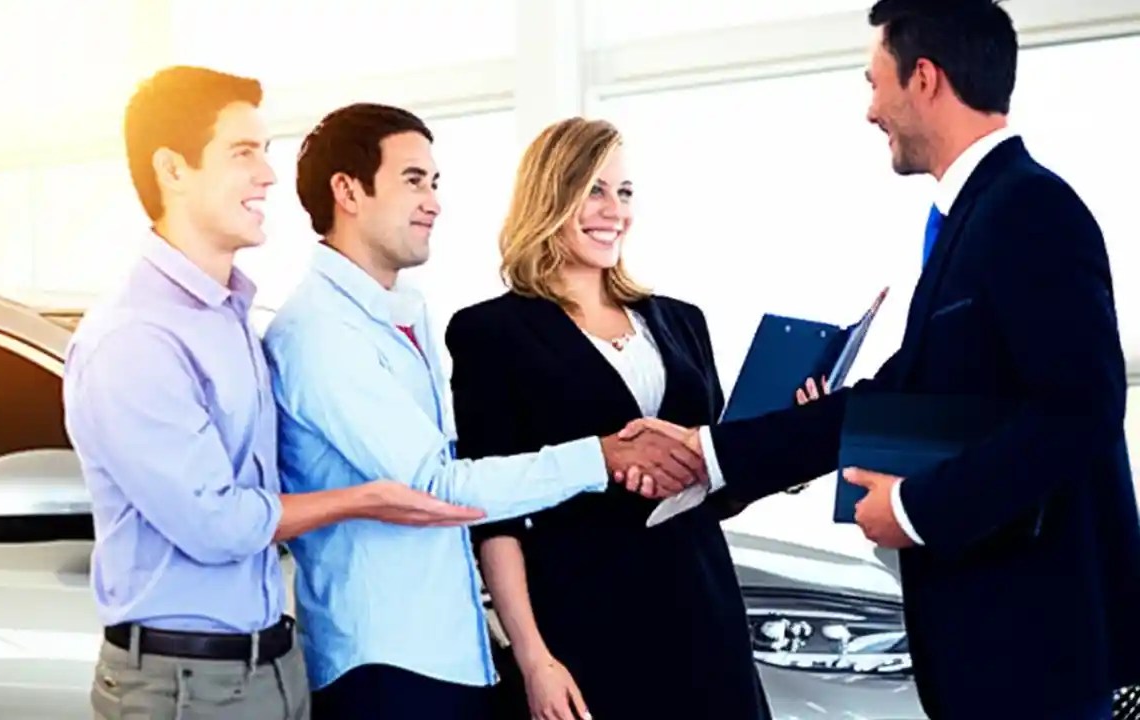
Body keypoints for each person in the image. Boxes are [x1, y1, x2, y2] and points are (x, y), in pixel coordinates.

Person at [628, 2, 1140, 718]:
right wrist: (711, 454)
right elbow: (899, 395)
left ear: (923, 78)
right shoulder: (977, 217)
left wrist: (915, 508)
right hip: (998, 651)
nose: (871, 111)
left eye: (875, 83)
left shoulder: (1029, 210)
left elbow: (1081, 409)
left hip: (1036, 647)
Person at [63, 66, 487, 720]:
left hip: (276, 663)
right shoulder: (134, 337)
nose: (268, 174)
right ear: (173, 170)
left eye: (265, 150)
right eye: (243, 153)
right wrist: (364, 499)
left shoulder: (232, 317)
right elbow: (215, 523)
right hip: (185, 685)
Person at [260, 102, 708, 720]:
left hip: (449, 651)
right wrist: (601, 457)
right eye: (413, 181)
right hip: (385, 663)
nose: (434, 203)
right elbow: (433, 488)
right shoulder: (321, 333)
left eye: (434, 182)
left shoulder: (402, 312)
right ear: (348, 191)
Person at [445, 117, 772, 720]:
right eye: (593, 190)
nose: (614, 210)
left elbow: (715, 489)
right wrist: (534, 659)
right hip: (586, 623)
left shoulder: (682, 321)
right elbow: (496, 517)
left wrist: (779, 444)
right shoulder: (489, 332)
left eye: (624, 192)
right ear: (550, 195)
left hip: (705, 614)